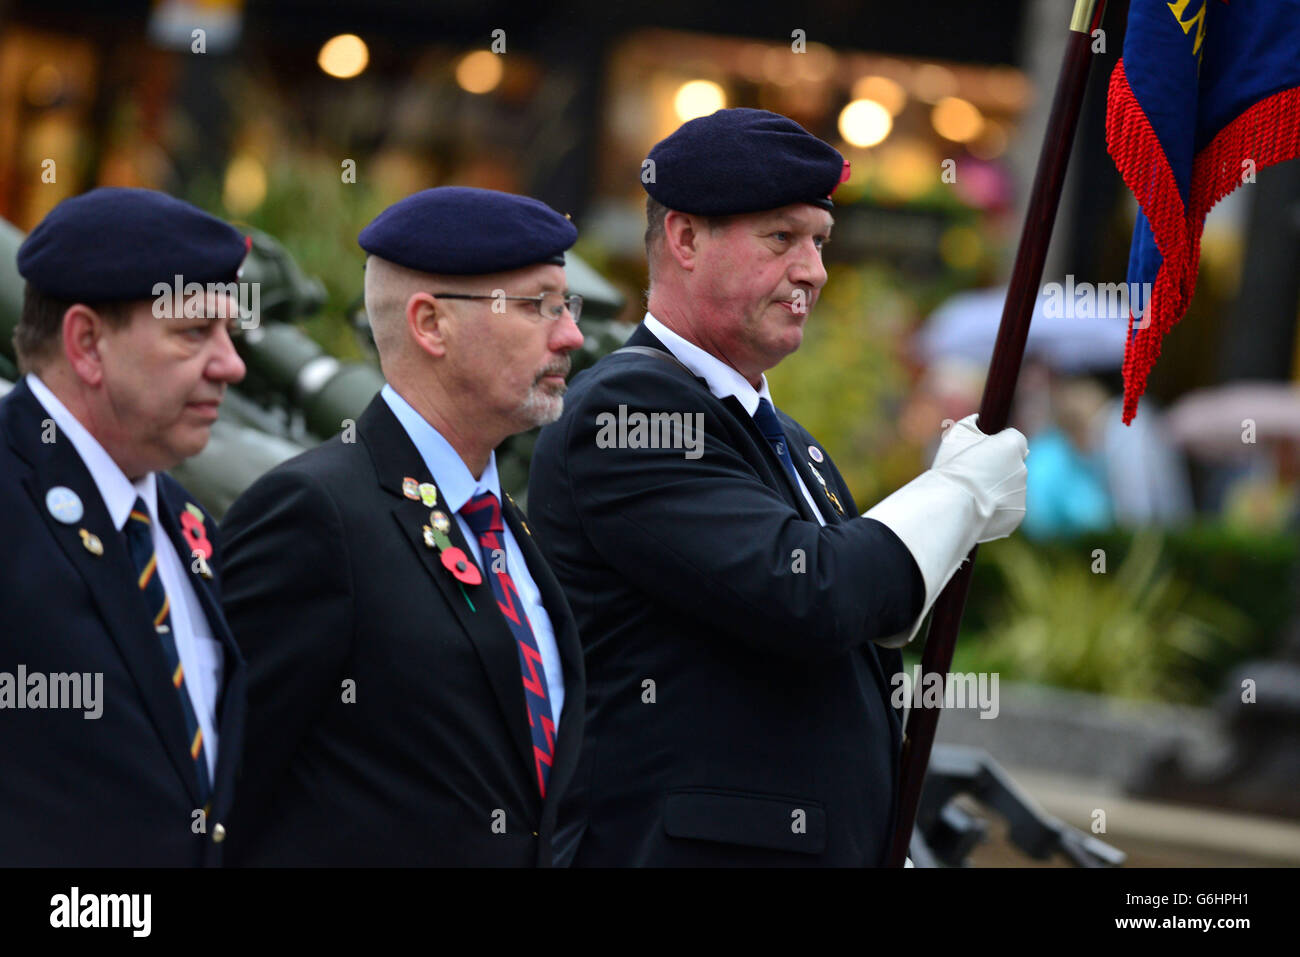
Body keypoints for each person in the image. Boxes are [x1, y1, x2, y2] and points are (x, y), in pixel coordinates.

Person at [528, 108, 1029, 866]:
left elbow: (870, 612)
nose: (813, 271)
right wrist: (958, 493)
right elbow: (813, 592)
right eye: (781, 238)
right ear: (686, 239)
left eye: (820, 242)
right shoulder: (628, 412)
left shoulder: (791, 443)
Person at [220, 186, 587, 866]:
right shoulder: (315, 512)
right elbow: (223, 783)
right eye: (539, 306)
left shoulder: (508, 527)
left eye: (568, 307)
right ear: (431, 324)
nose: (571, 335)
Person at [0, 187, 250, 865]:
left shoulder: (184, 521)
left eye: (230, 333)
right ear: (86, 342)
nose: (232, 364)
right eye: (194, 332)